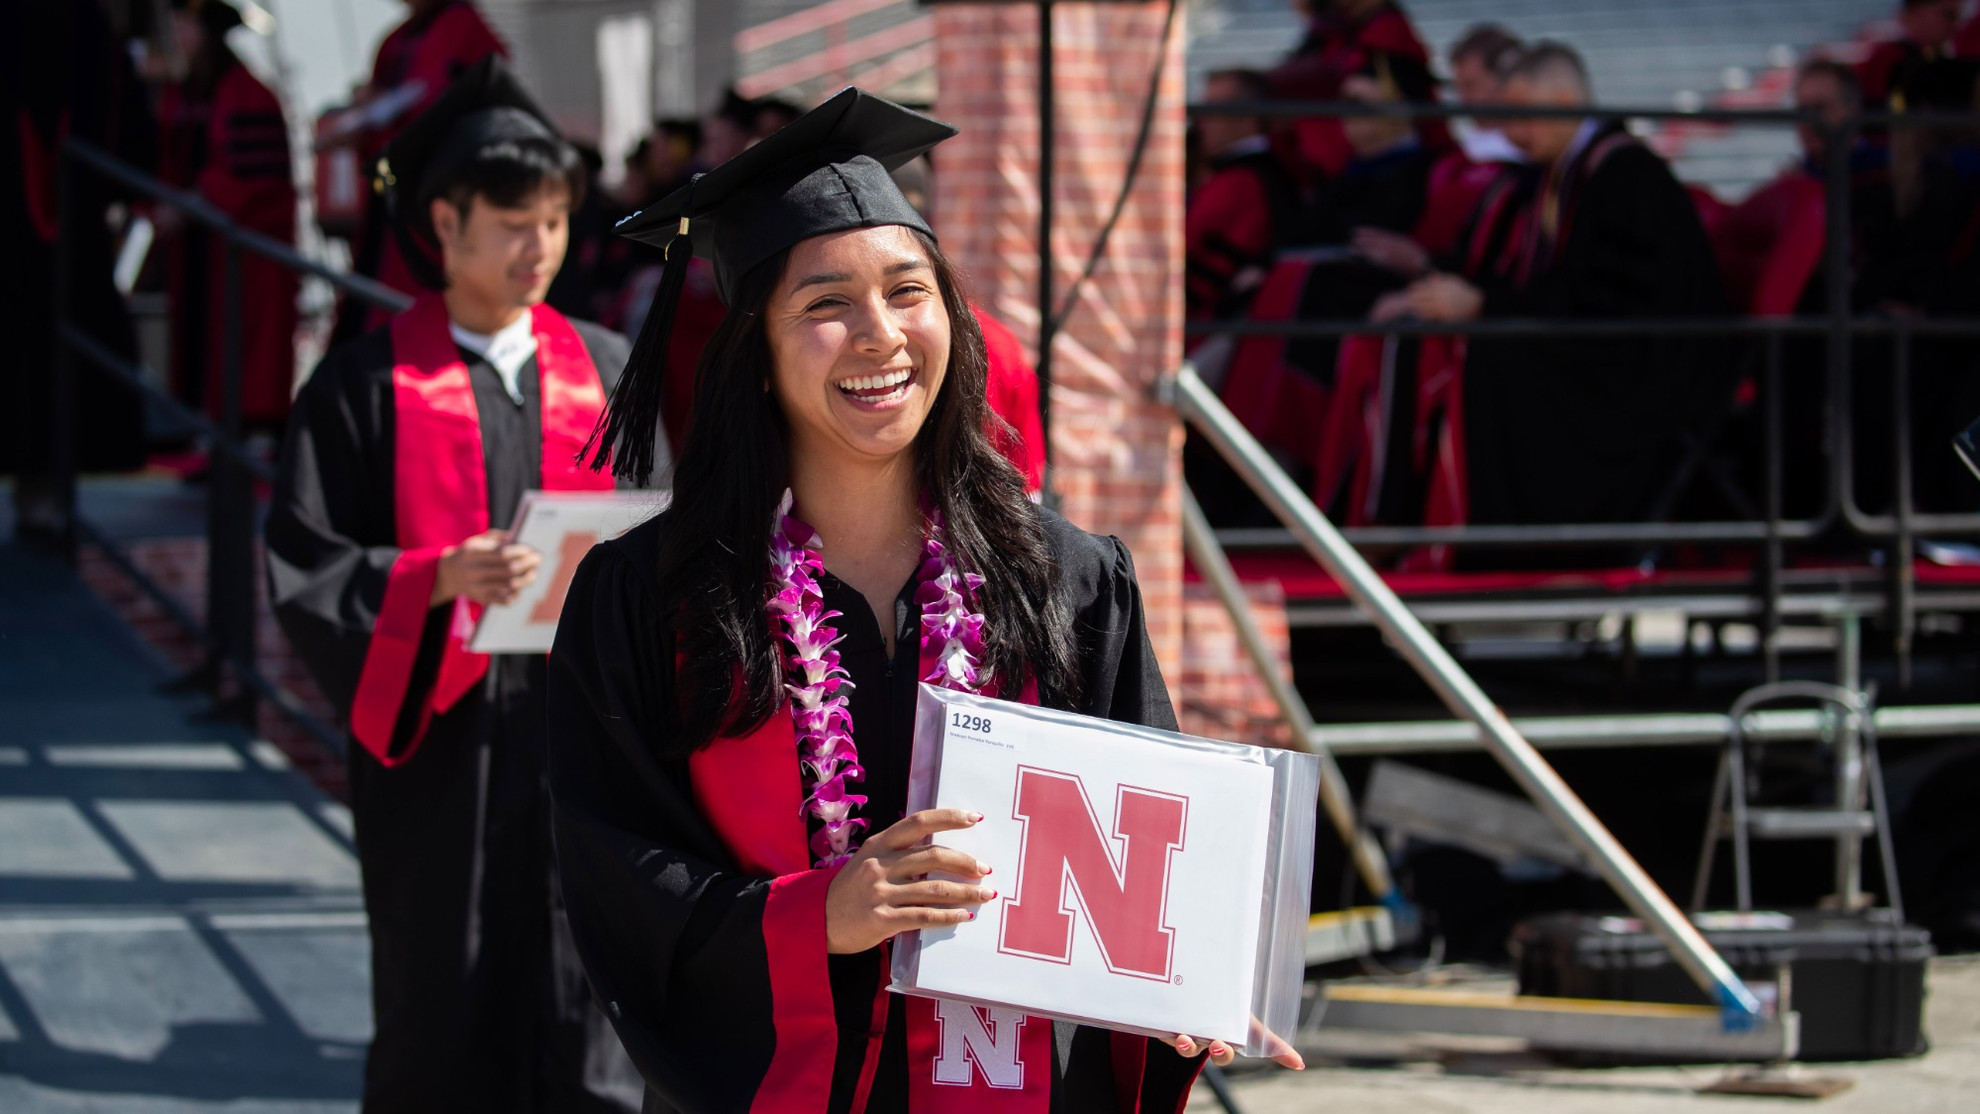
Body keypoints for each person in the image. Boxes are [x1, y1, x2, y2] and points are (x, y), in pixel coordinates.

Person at [549, 87, 1301, 1112]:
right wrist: (816, 916)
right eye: (825, 304)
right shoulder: (654, 598)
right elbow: (614, 869)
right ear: (757, 353)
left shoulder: (1069, 580)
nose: (880, 334)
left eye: (910, 290)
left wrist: (1192, 979)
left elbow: (1142, 854)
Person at [264, 59, 644, 1113]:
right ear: (444, 221)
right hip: (443, 755)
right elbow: (307, 558)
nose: (542, 249)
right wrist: (435, 578)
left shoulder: (609, 371)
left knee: (588, 1013)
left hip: (582, 742)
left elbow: (669, 546)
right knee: (443, 996)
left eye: (558, 221)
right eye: (514, 223)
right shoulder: (363, 386)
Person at [1383, 43, 1731, 533]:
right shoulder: (1562, 173)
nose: (1512, 133)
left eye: (1524, 117)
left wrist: (1486, 306)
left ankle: (1484, 536)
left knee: (1485, 359)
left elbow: (1611, 305)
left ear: (1566, 103)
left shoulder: (1624, 174)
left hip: (1644, 371)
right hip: (1604, 345)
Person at [156, 0, 297, 432]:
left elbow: (255, 180)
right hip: (196, 247)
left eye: (186, 21)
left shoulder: (249, 95)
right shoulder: (185, 93)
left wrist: (196, 202)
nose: (178, 31)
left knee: (244, 353)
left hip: (242, 250)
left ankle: (244, 437)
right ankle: (206, 434)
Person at [330, 0, 506, 340]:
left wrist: (375, 125)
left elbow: (441, 115)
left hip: (434, 217)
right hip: (392, 211)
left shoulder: (464, 29)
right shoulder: (397, 39)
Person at [1186, 68, 1299, 320]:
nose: (1201, 121)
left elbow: (1195, 264)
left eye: (1213, 110)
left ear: (1248, 117)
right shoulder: (1272, 171)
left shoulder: (1240, 183)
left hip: (1212, 327)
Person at [1858, 0, 1966, 110]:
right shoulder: (1887, 52)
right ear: (1917, 11)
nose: (1955, 26)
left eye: (1958, 18)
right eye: (1949, 15)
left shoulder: (1932, 54)